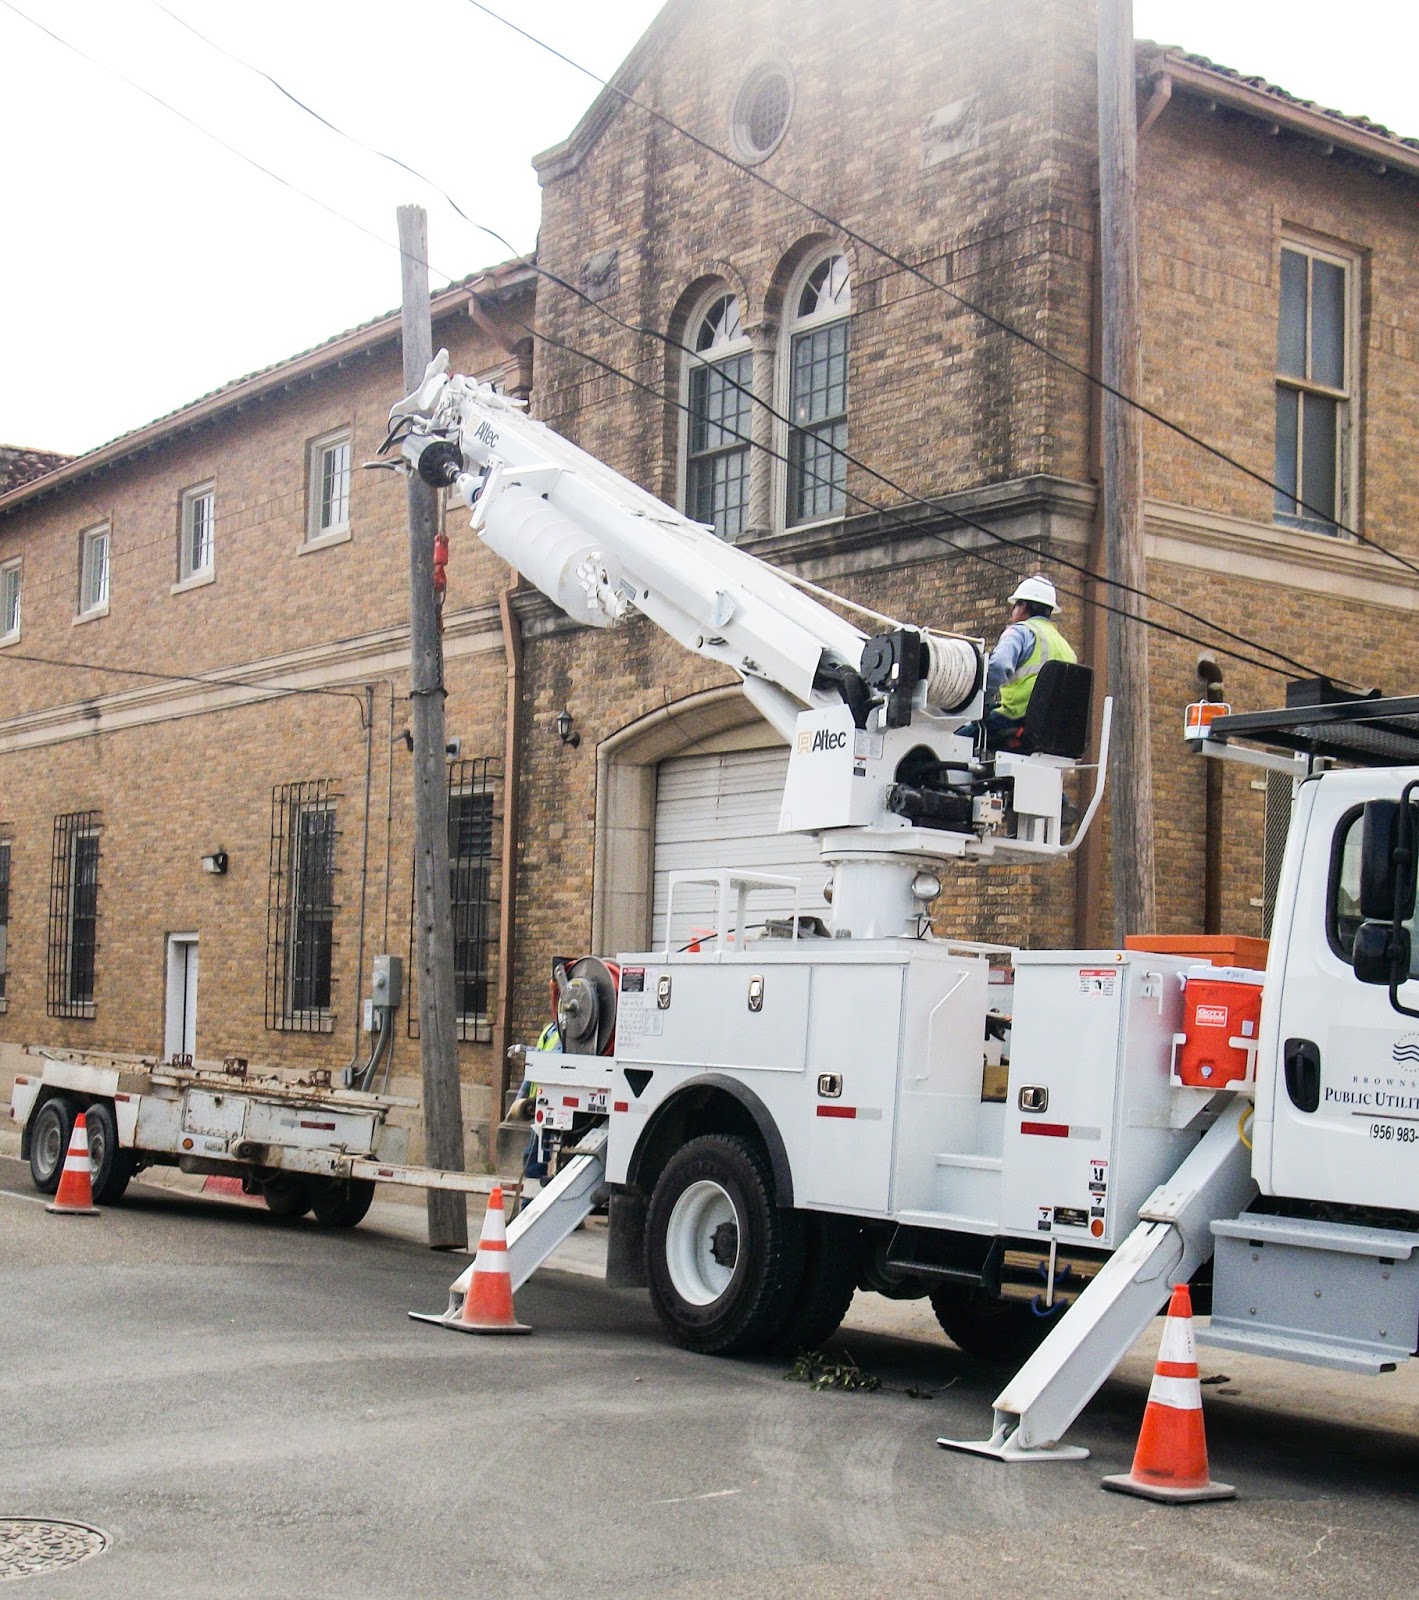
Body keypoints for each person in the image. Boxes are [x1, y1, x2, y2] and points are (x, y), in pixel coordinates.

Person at [980, 575, 1075, 751]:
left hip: (1015, 720)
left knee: (955, 740)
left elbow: (999, 666)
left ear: (1023, 606)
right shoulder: (1066, 647)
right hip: (1050, 733)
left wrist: (980, 700)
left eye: (1015, 605)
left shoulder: (1020, 632)